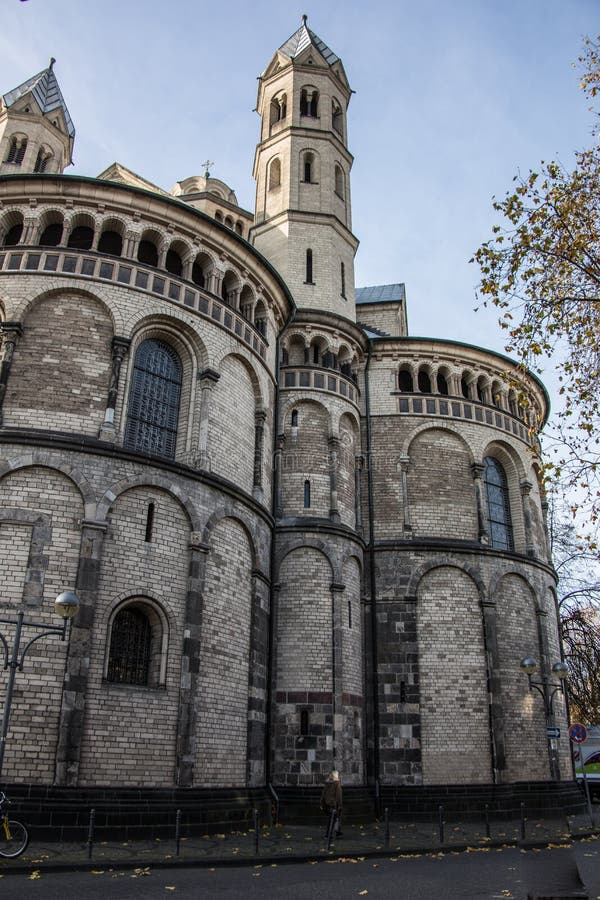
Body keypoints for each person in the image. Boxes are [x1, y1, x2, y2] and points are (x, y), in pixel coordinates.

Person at [320, 768, 343, 837]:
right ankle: (328, 834)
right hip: (333, 805)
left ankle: (338, 832)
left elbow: (323, 795)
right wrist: (340, 805)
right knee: (332, 820)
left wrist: (322, 804)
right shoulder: (337, 784)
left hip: (327, 804)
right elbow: (339, 796)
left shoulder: (327, 784)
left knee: (335, 818)